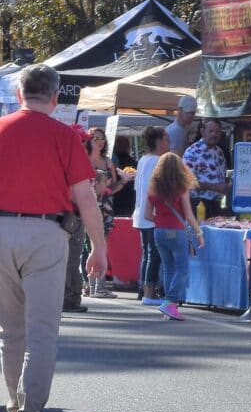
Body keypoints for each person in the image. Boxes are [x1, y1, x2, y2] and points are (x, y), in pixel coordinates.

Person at [0, 64, 108, 412]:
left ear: (20, 94)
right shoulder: (63, 136)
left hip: (0, 230)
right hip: (47, 232)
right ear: (56, 97)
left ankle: (15, 409)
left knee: (12, 332)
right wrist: (98, 247)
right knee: (42, 331)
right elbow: (85, 198)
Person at [143, 152, 203, 321]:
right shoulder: (181, 188)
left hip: (158, 231)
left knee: (168, 268)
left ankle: (169, 305)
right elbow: (189, 215)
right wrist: (199, 233)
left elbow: (147, 215)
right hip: (177, 231)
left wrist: (161, 221)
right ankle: (170, 302)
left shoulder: (153, 189)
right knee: (182, 269)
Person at [83, 127, 127, 298]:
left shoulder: (108, 162)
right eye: (95, 138)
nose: (100, 141)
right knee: (89, 245)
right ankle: (90, 283)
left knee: (102, 245)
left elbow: (112, 186)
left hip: (106, 205)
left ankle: (97, 285)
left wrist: (123, 182)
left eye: (102, 138)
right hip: (87, 202)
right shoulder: (84, 159)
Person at [130, 125, 169, 303]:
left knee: (148, 253)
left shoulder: (144, 159)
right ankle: (149, 292)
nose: (168, 142)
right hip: (151, 212)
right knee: (153, 254)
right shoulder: (156, 160)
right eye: (166, 139)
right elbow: (155, 188)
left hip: (141, 211)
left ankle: (145, 290)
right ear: (159, 141)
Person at [182, 118, 230, 216]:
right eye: (211, 131)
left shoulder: (219, 152)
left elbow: (223, 177)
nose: (214, 134)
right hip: (198, 204)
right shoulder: (192, 152)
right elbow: (186, 182)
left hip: (217, 205)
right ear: (203, 132)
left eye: (217, 131)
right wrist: (214, 187)